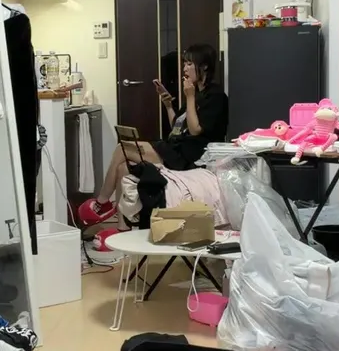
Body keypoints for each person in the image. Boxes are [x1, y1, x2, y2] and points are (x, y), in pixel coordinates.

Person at [78, 43, 228, 226]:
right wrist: (168, 105)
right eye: (184, 63)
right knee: (123, 168)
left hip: (190, 156)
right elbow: (178, 126)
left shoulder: (215, 96)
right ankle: (122, 228)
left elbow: (195, 129)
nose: (184, 68)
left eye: (189, 64)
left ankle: (101, 204)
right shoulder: (196, 92)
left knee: (122, 148)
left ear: (204, 66)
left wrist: (189, 97)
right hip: (175, 148)